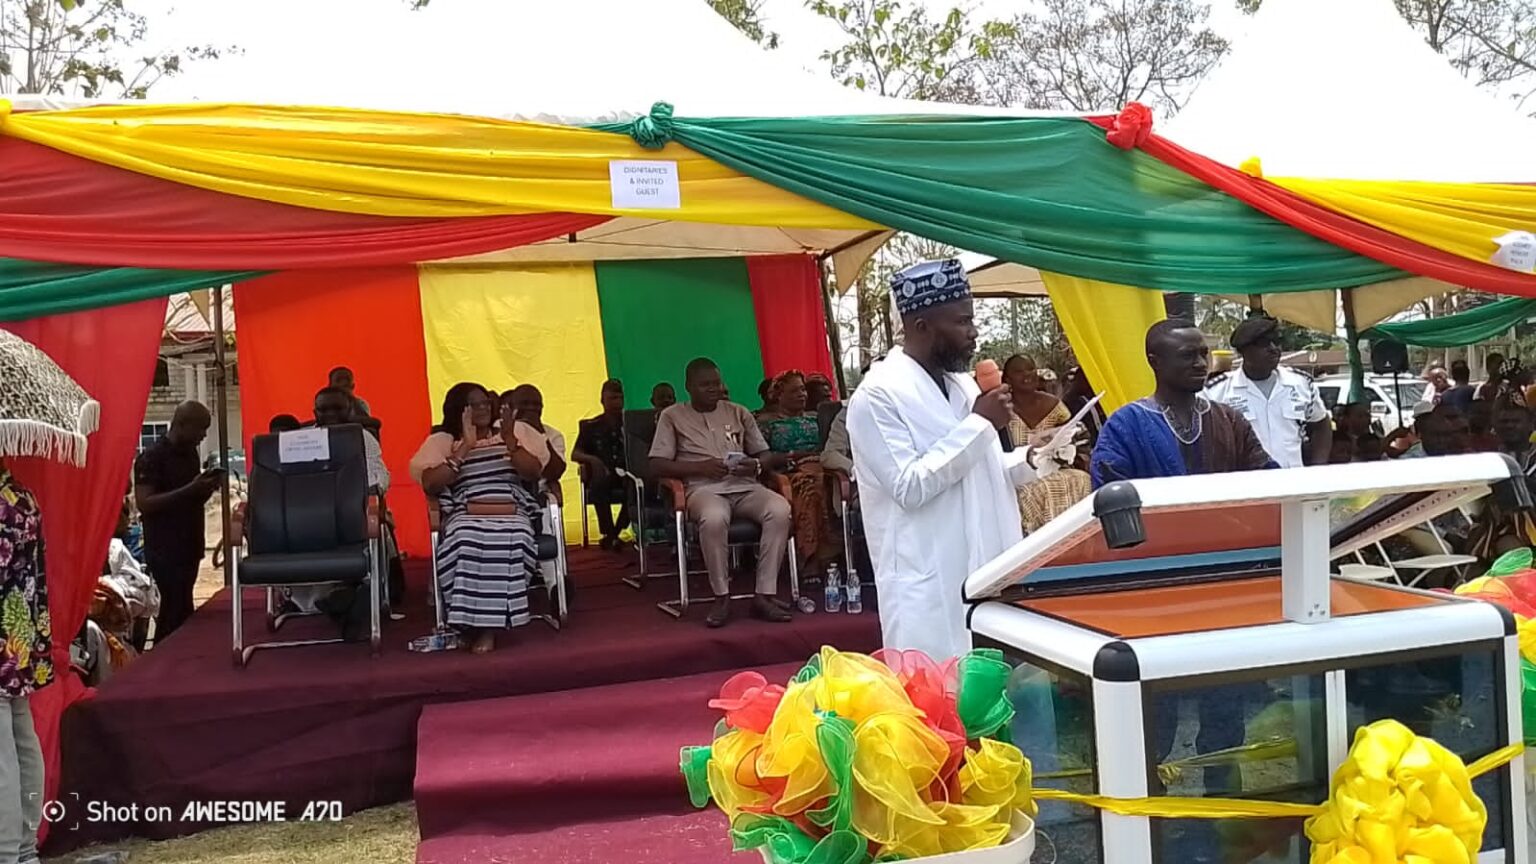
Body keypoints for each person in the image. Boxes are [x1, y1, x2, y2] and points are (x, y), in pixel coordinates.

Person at [847, 259, 1040, 660]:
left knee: (999, 698)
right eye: (962, 322)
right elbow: (909, 487)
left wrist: (1037, 458)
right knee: (938, 702)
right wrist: (980, 423)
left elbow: (981, 472)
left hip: (987, 570)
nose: (974, 333)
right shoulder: (878, 395)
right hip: (930, 582)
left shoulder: (962, 383)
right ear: (922, 326)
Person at [650, 358, 792, 628]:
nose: (714, 389)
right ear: (689, 387)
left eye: (716, 383)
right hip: (702, 489)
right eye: (705, 385)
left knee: (780, 508)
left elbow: (764, 453)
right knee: (714, 517)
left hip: (746, 486)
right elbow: (656, 464)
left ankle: (764, 594)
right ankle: (721, 596)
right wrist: (699, 467)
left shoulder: (738, 412)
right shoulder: (672, 416)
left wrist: (757, 464)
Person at [410, 384, 543, 654]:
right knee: (464, 540)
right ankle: (469, 624)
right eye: (475, 404)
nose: (483, 409)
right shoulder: (444, 441)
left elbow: (533, 472)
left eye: (485, 403)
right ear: (460, 410)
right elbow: (431, 484)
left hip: (510, 507)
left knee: (512, 538)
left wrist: (510, 441)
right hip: (466, 509)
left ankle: (486, 630)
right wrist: (465, 448)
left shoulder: (510, 433)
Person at [1091, 321, 1275, 486]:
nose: (1201, 364)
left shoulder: (1230, 420)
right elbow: (1110, 495)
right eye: (1188, 356)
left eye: (1204, 354)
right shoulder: (1125, 425)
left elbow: (1267, 480)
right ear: (1155, 361)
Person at [134, 401, 219, 641]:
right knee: (173, 609)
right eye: (200, 429)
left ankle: (181, 660)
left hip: (189, 543)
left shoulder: (189, 454)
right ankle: (165, 662)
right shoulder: (152, 458)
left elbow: (189, 499)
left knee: (183, 608)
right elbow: (146, 502)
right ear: (182, 424)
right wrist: (191, 488)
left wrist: (205, 488)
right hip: (164, 548)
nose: (203, 436)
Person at [0, 462, 50, 864]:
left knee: (4, 753)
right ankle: (24, 848)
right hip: (18, 634)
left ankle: (7, 853)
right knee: (21, 739)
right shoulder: (23, 497)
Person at [1204, 314, 1331, 468]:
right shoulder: (1216, 392)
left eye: (1276, 342)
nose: (1273, 349)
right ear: (1244, 351)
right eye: (1264, 343)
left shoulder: (1301, 383)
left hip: (1294, 483)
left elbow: (1321, 424)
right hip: (1247, 485)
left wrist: (1318, 468)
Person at [1001, 355, 1090, 532]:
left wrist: (1060, 441)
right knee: (1026, 492)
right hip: (1018, 474)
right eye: (1019, 371)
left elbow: (1078, 438)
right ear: (1007, 379)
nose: (1027, 375)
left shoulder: (1055, 406)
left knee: (1082, 480)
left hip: (1055, 468)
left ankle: (1075, 535)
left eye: (1031, 369)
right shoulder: (1002, 408)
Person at [759, 371, 835, 573]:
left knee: (828, 482)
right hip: (786, 474)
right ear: (779, 395)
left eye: (802, 389)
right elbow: (762, 457)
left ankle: (837, 556)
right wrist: (791, 457)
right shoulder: (765, 422)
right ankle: (811, 559)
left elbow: (831, 447)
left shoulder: (818, 417)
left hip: (822, 465)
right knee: (808, 484)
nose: (801, 394)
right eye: (794, 391)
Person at [572, 379, 632, 550]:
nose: (617, 403)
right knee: (599, 483)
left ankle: (615, 532)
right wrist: (593, 460)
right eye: (612, 398)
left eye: (620, 398)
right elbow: (575, 453)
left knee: (635, 487)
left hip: (626, 472)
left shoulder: (629, 424)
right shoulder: (591, 426)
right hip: (602, 473)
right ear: (602, 400)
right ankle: (610, 534)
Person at [508, 384, 567, 500]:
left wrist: (540, 433)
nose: (531, 408)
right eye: (525, 403)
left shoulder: (554, 435)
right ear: (511, 407)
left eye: (536, 404)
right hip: (506, 490)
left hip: (538, 495)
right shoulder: (500, 429)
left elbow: (555, 472)